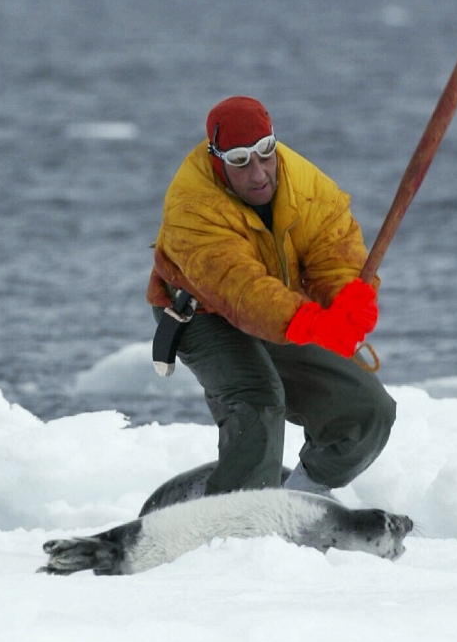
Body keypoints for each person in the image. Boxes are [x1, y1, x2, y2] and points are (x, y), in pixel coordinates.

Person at [147, 95, 395, 498]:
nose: (259, 173)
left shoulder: (310, 187)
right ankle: (238, 529)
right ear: (217, 160)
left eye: (265, 154)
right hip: (202, 314)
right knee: (258, 401)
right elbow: (240, 289)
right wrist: (313, 322)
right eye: (241, 161)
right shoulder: (192, 204)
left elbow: (334, 252)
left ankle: (298, 501)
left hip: (280, 311)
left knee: (367, 410)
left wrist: (348, 298)